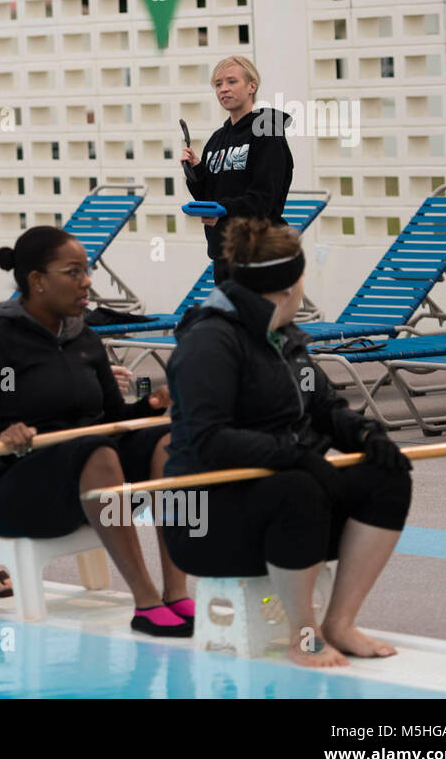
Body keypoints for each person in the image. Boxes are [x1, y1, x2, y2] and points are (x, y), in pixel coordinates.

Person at [163, 217, 412, 668]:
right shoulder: (209, 341)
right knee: (298, 487)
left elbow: (324, 407)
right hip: (204, 517)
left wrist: (363, 433)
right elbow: (209, 440)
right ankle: (304, 635)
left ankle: (338, 623)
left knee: (386, 476)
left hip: (281, 504)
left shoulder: (284, 338)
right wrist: (296, 457)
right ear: (289, 284)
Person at [0, 225, 192, 636]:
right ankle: (145, 600)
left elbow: (113, 418)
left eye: (87, 270)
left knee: (171, 443)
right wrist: (0, 441)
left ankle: (176, 591)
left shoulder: (86, 340)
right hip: (11, 493)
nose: (87, 281)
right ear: (37, 281)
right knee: (98, 452)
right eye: (73, 272)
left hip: (90, 481)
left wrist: (151, 407)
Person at [180, 55, 293, 283]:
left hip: (260, 253)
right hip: (224, 253)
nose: (224, 89)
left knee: (260, 320)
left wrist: (221, 210)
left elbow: (263, 200)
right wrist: (196, 171)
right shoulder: (216, 140)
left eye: (232, 82)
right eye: (218, 84)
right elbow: (208, 196)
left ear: (252, 86)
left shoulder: (266, 133)